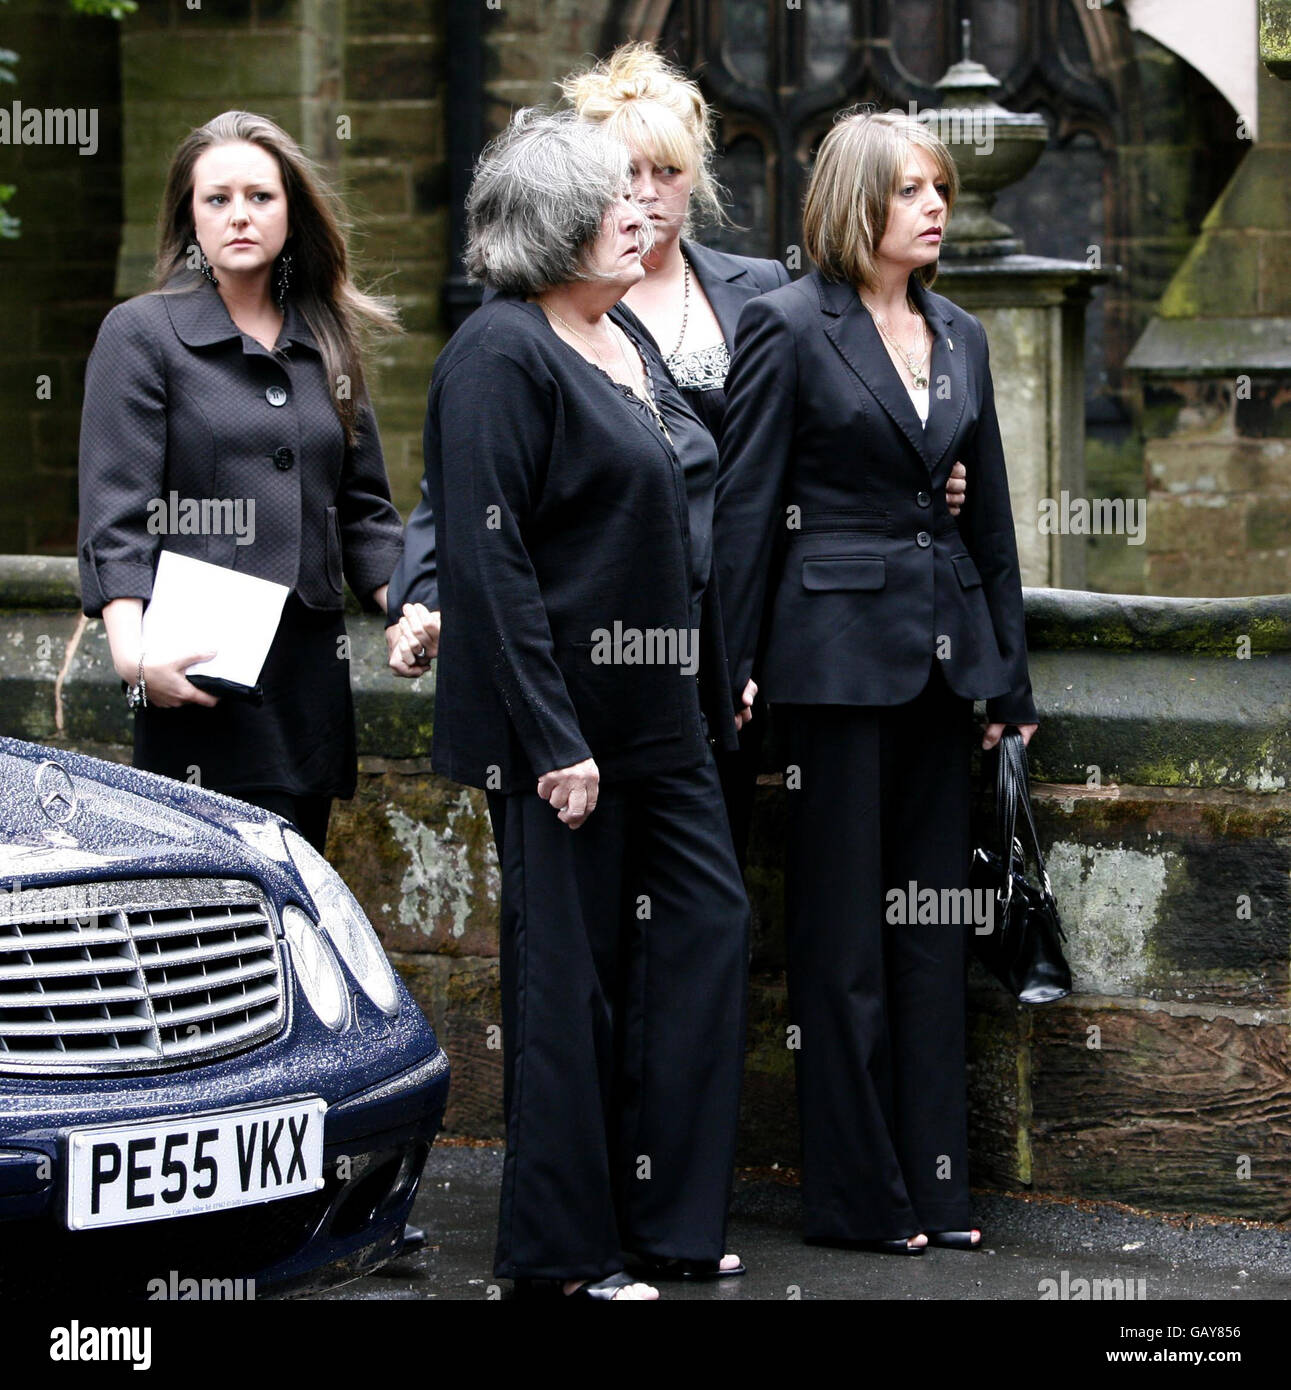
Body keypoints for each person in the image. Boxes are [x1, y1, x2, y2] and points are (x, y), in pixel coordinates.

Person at [393, 108, 750, 1300]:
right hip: (564, 732)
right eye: (617, 201)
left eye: (646, 196)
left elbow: (684, 497)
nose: (643, 211)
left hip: (667, 721)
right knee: (570, 982)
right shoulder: (499, 354)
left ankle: (668, 1223)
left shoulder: (619, 335)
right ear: (559, 223)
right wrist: (554, 742)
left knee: (703, 936)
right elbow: (489, 564)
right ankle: (563, 1255)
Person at [712, 108, 1039, 1254]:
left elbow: (986, 513)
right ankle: (858, 1201)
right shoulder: (788, 324)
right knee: (842, 944)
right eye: (911, 190)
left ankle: (938, 1194)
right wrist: (734, 665)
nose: (936, 207)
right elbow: (748, 507)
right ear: (856, 202)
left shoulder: (962, 332)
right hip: (830, 670)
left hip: (945, 670)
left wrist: (1010, 685)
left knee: (929, 938)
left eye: (939, 187)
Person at [556, 41, 969, 864]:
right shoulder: (550, 303)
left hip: (735, 614)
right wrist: (418, 586)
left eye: (665, 171)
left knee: (712, 880)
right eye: (625, 171)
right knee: (592, 883)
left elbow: (825, 431)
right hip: (607, 609)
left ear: (694, 174)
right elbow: (482, 461)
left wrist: (917, 480)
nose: (644, 192)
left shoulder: (762, 295)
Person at [77, 110, 403, 853]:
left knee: (293, 910)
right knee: (199, 921)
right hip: (199, 676)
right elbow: (116, 507)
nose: (240, 216)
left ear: (292, 210)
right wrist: (132, 657)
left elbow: (364, 513)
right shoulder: (142, 334)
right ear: (189, 216)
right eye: (216, 199)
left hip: (310, 681)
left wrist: (411, 606)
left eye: (260, 196)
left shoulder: (327, 338)